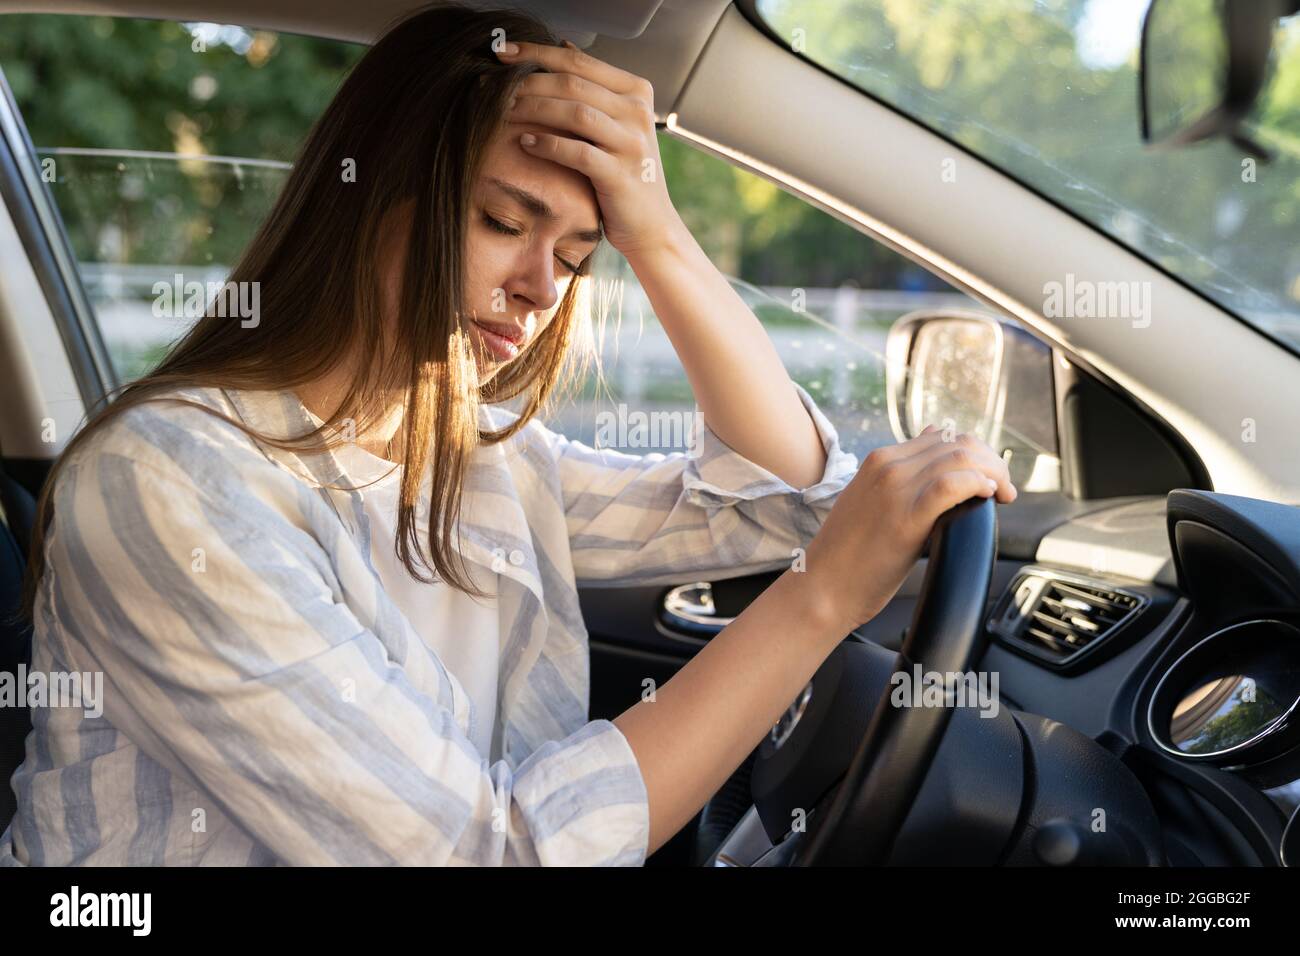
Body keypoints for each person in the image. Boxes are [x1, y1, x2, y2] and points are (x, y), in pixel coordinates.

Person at [0, 2, 1015, 866]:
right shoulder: (167, 483)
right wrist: (818, 601)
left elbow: (782, 500)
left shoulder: (480, 452)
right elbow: (486, 852)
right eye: (501, 221)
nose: (539, 288)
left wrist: (656, 231)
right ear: (370, 198)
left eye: (575, 257)